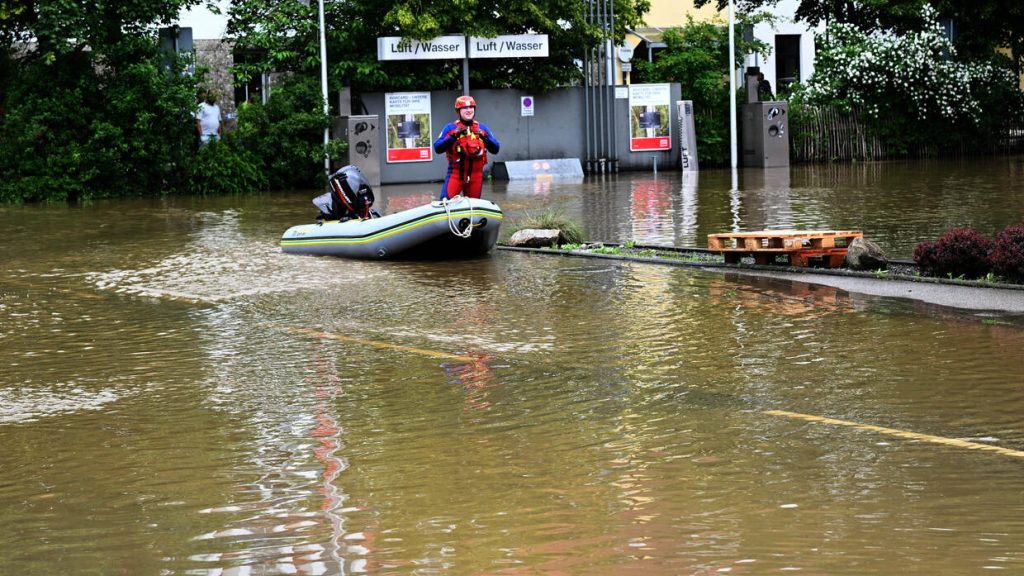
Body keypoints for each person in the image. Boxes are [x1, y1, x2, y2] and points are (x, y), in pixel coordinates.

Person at [433, 95, 500, 200]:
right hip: (456, 175)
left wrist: (485, 137)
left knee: (473, 208)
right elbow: (437, 148)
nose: (468, 110)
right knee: (445, 203)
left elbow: (496, 149)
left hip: (476, 176)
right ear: (458, 111)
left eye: (471, 107)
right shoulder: (451, 128)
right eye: (464, 108)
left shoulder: (482, 128)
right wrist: (453, 136)